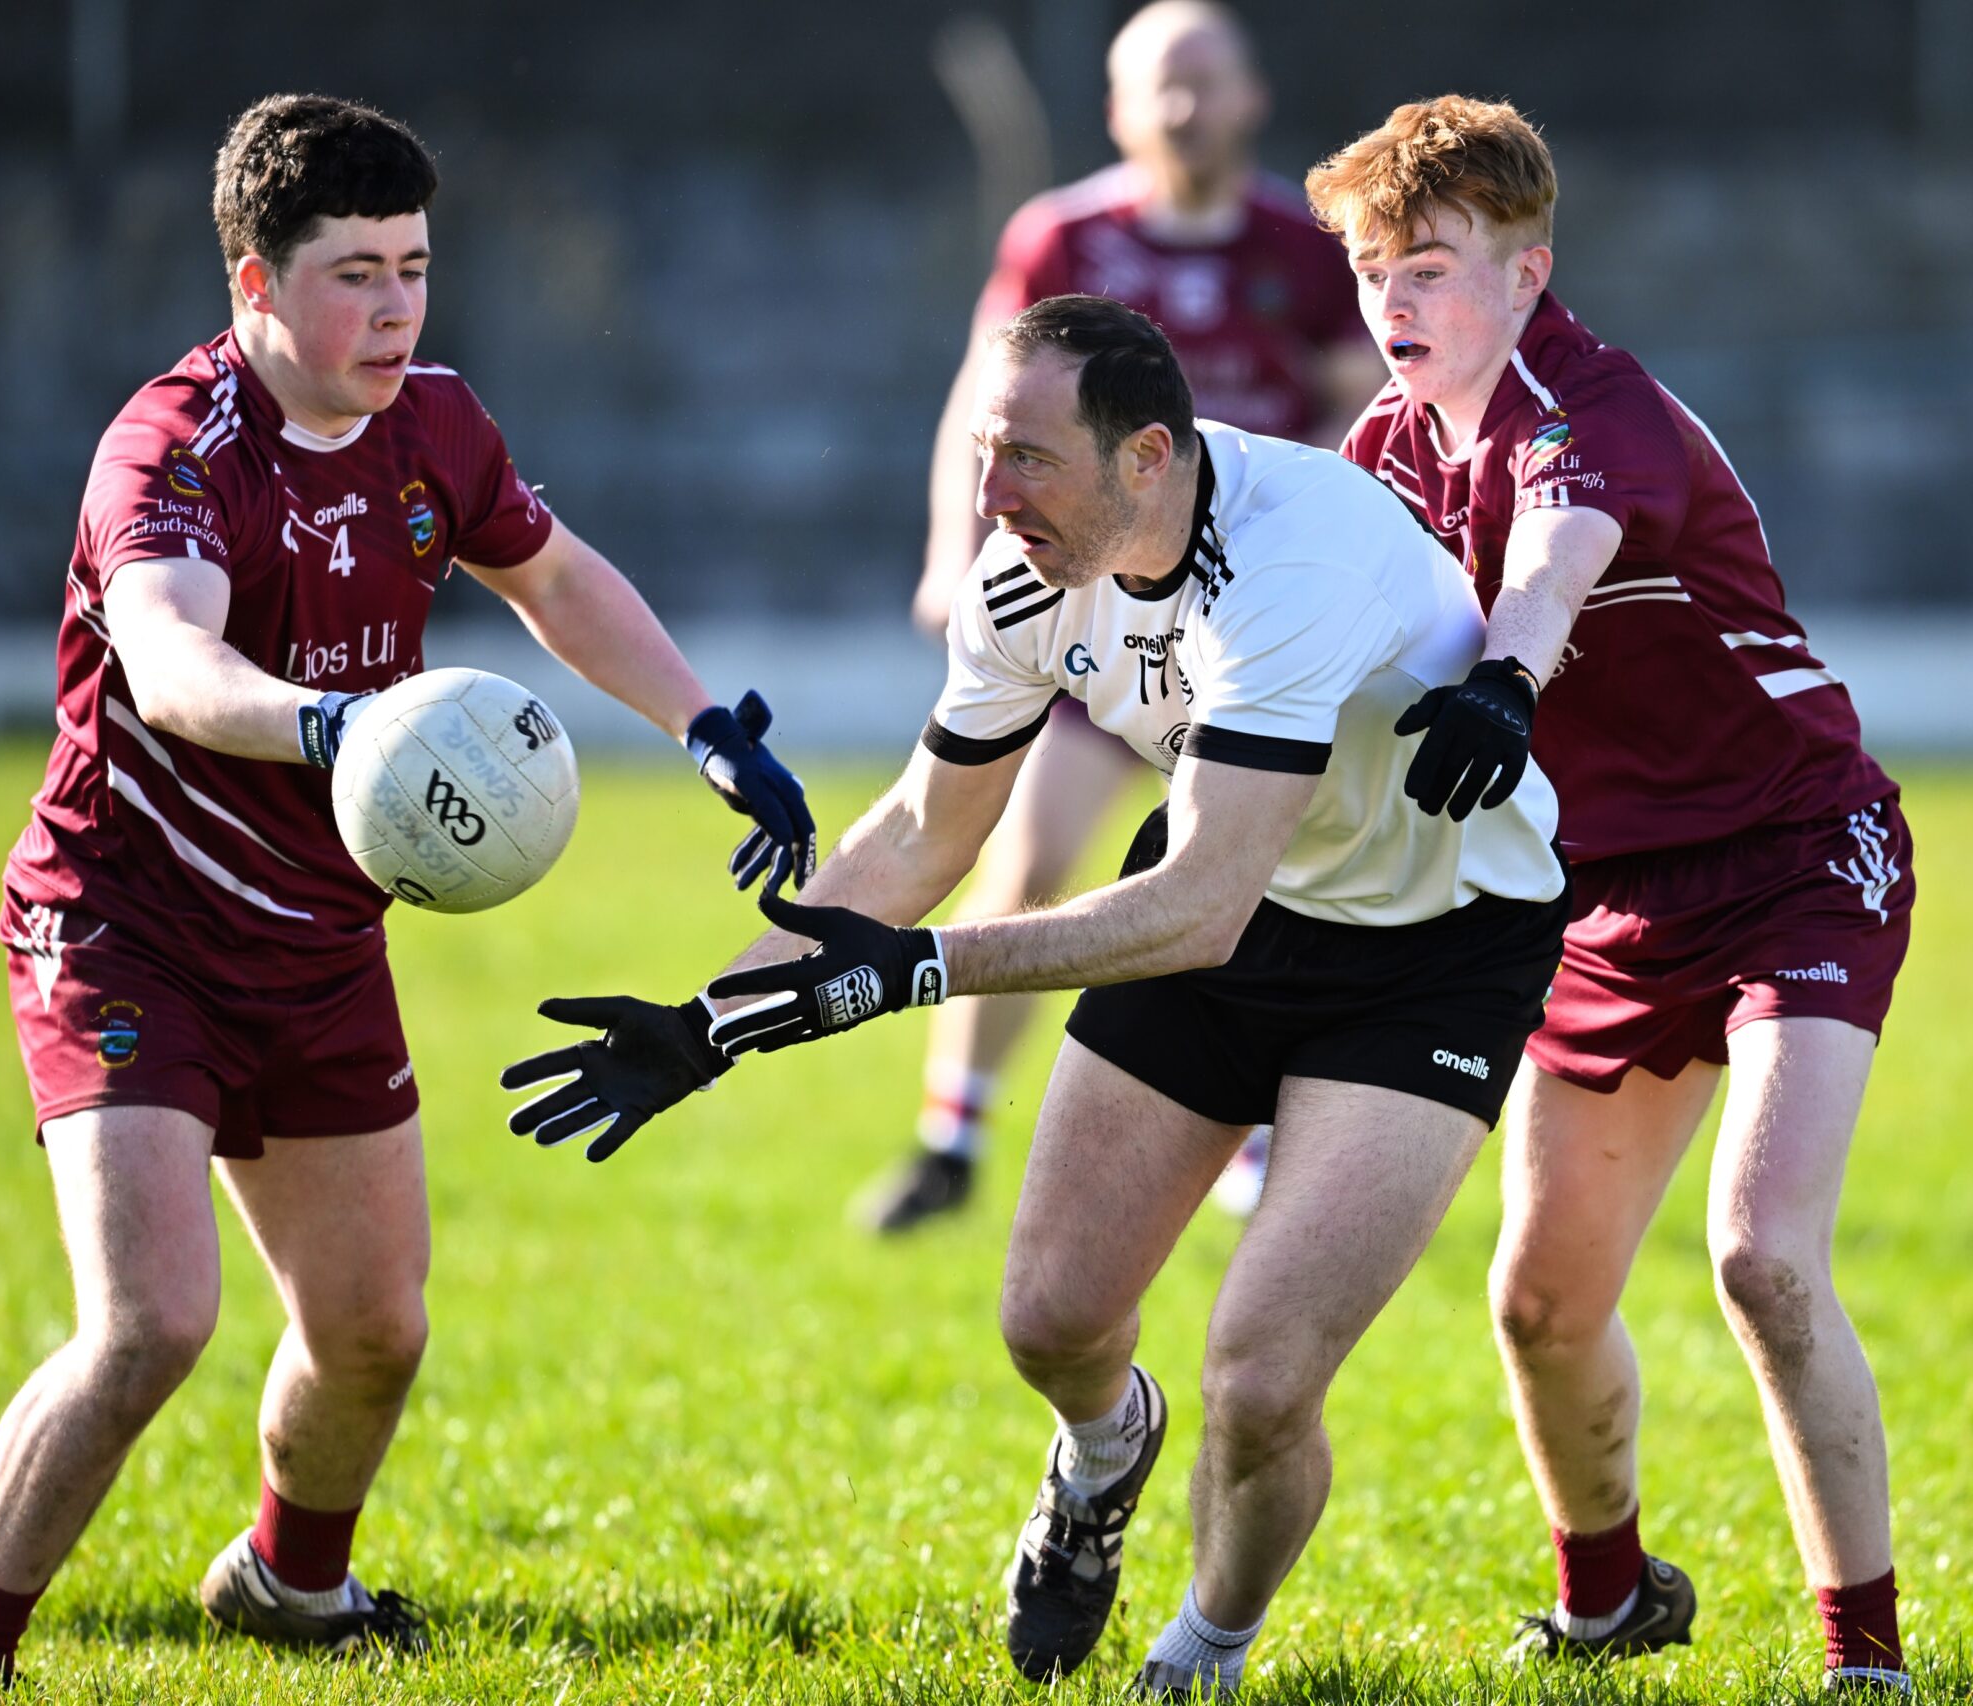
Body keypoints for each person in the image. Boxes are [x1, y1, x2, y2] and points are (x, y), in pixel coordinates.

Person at [505, 295, 1571, 1698]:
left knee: (1259, 1382)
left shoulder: (1293, 559)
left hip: (1432, 942)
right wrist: (715, 1019)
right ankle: (1103, 1451)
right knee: (1050, 1319)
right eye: (981, 456)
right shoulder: (1027, 580)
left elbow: (1201, 906)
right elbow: (921, 836)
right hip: (1218, 901)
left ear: (1147, 457)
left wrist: (921, 972)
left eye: (1027, 460)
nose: (992, 500)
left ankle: (1204, 1649)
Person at [0, 94, 816, 1689]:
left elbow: (553, 575)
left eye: (414, 267)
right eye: (354, 273)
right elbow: (174, 661)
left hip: (321, 938)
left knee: (375, 1330)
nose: (397, 306)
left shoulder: (439, 424)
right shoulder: (175, 447)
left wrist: (701, 725)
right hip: (126, 923)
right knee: (150, 1326)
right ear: (255, 287)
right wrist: (338, 722)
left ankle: (289, 1585)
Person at [1311, 97, 1916, 1695]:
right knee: (1539, 1300)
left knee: (1762, 1258)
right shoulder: (1381, 447)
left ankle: (1870, 1662)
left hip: (1800, 852)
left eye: (1430, 268)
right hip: (1605, 897)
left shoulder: (1599, 409)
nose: (1395, 306)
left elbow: (1554, 555)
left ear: (1529, 273)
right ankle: (1611, 1601)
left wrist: (1508, 681)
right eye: (1375, 269)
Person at [870, 0, 1384, 1231]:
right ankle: (953, 1132)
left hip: (1255, 622)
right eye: (1157, 84)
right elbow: (980, 401)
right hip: (1109, 603)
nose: (1181, 107)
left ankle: (1253, 1133)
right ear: (1114, 107)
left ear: (1251, 96)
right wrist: (957, 548)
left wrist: (1309, 541)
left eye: (1204, 81)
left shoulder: (1305, 244)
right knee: (1030, 851)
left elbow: (1362, 403)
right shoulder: (1063, 235)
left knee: (1259, 873)